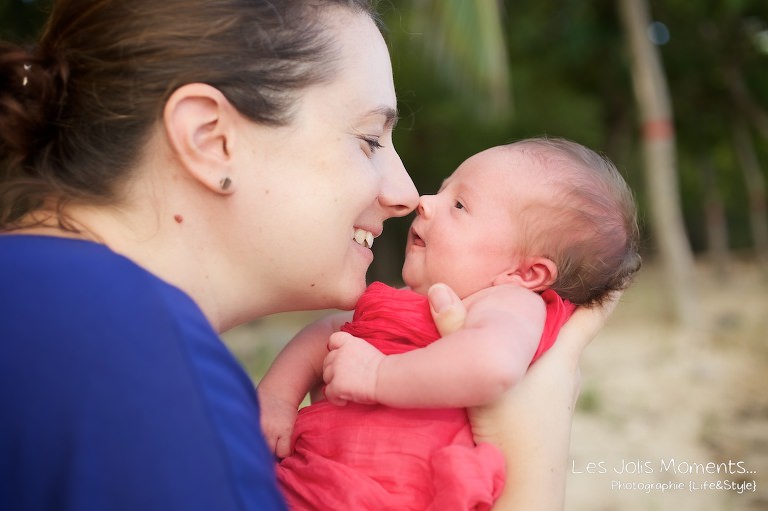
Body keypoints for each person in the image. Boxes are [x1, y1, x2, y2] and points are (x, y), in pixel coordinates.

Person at [0, 1, 617, 510]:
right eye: (370, 140)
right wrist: (533, 475)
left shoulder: (45, 306)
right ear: (212, 140)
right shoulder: (149, 378)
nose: (406, 195)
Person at [258, 137, 641, 510]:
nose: (425, 202)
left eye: (458, 204)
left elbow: (493, 366)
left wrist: (378, 375)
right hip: (313, 477)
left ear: (526, 272)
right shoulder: (403, 298)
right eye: (441, 190)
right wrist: (278, 397)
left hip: (411, 493)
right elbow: (327, 332)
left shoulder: (509, 303)